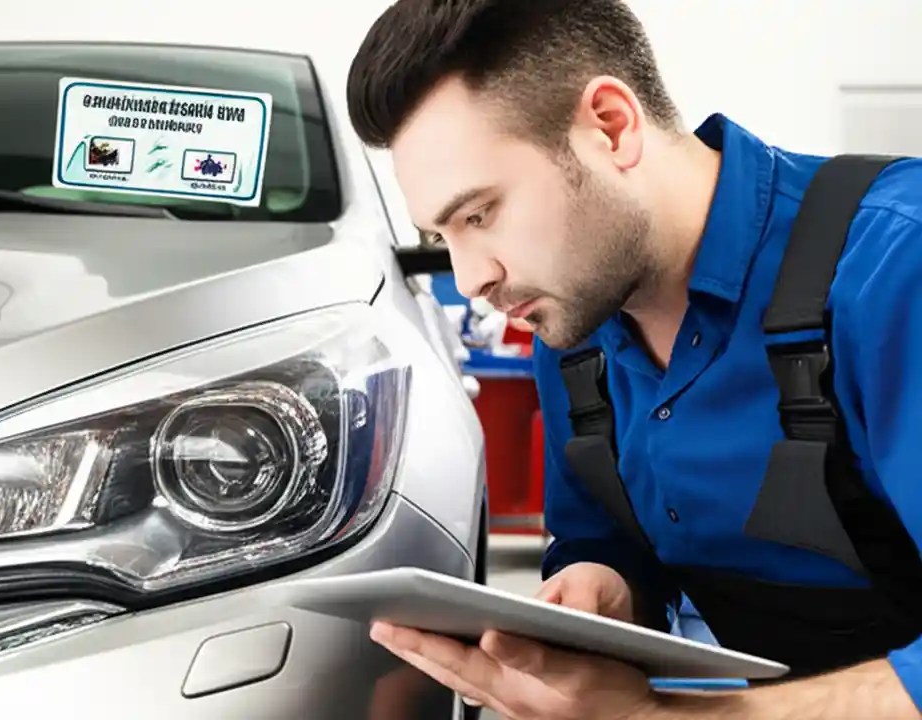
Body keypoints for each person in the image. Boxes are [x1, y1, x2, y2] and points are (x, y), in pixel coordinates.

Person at [345, 1, 922, 718]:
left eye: (480, 214)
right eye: (441, 233)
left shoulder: (897, 267)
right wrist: (601, 588)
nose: (469, 279)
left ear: (611, 127)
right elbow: (603, 535)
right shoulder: (573, 324)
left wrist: (665, 719)